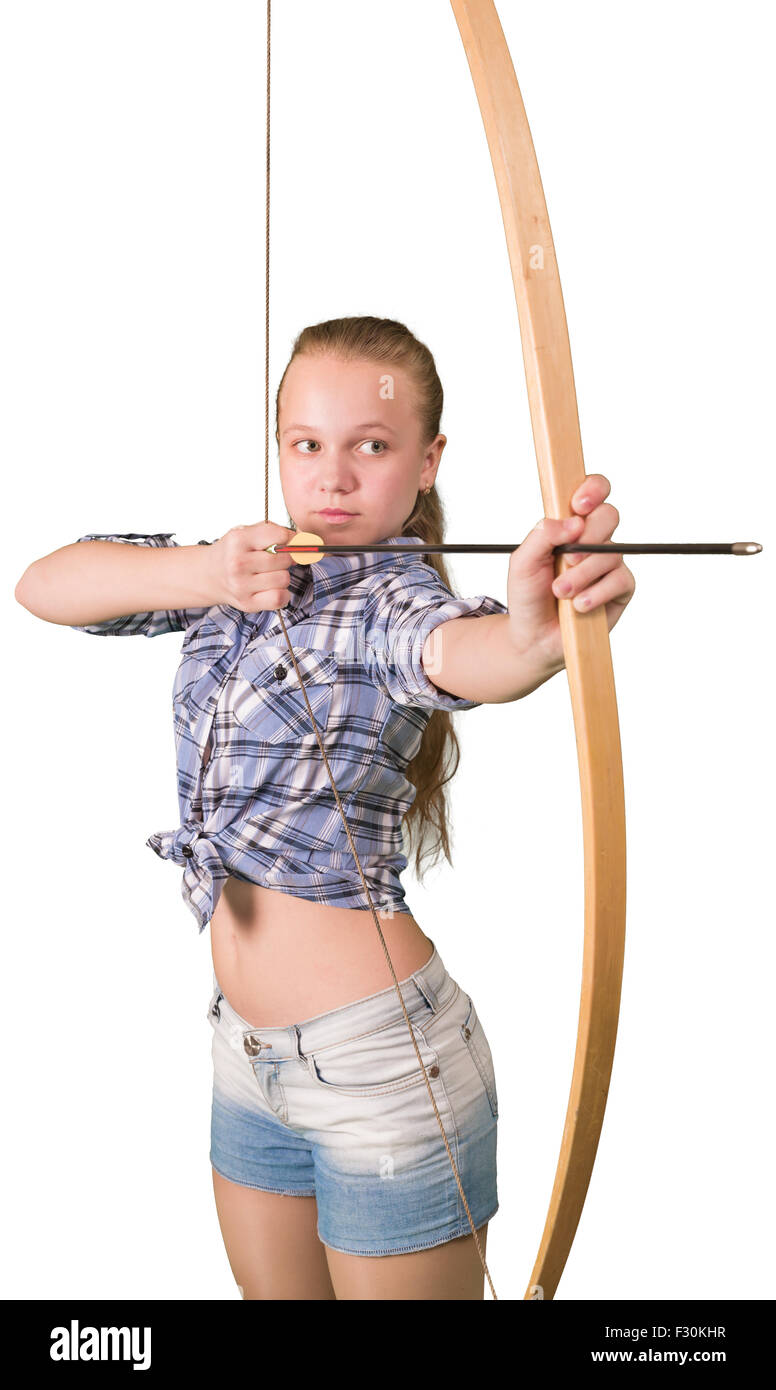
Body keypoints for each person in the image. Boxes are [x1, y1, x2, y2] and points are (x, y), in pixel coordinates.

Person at [14, 315, 634, 1300]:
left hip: (380, 1068)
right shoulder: (241, 572)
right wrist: (203, 572)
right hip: (242, 1051)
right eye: (306, 444)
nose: (333, 477)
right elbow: (42, 585)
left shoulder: (391, 602)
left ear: (426, 461)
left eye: (371, 446)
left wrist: (536, 629)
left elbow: (466, 654)